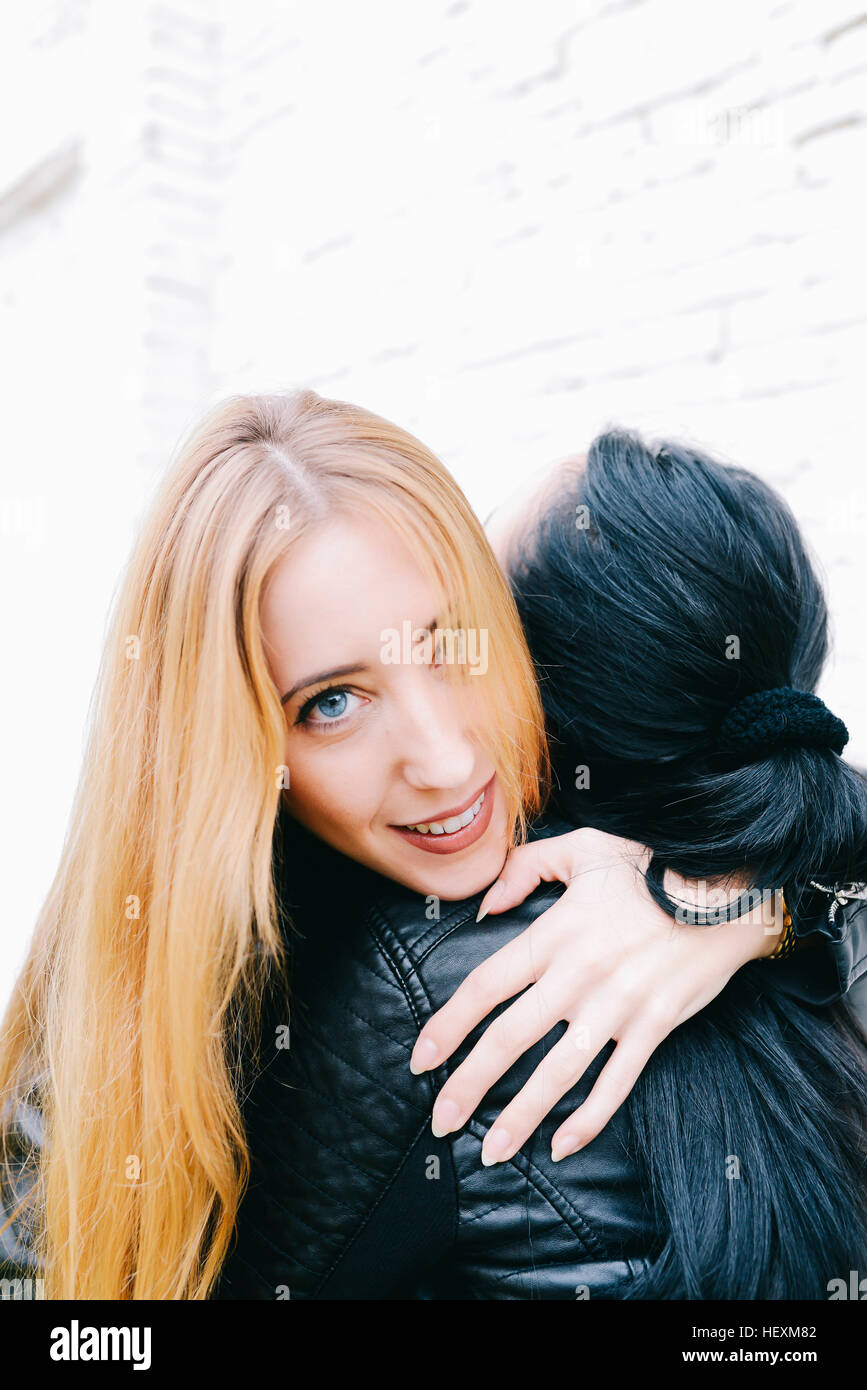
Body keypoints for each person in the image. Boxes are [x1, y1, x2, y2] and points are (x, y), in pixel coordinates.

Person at [0, 395, 863, 1299]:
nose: (447, 761)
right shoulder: (134, 1005)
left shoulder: (584, 890)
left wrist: (732, 901)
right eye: (331, 702)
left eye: (454, 643)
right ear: (230, 747)